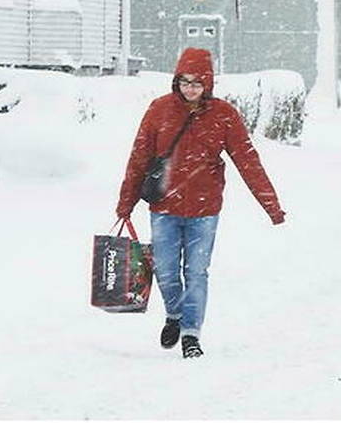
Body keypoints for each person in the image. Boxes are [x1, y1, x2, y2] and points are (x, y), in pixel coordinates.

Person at [116, 48, 286, 359]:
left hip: (205, 210)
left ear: (208, 83)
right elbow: (139, 158)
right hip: (164, 206)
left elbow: (248, 162)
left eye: (198, 82)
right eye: (185, 81)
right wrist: (125, 202)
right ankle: (175, 315)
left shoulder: (224, 115)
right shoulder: (159, 110)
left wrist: (271, 206)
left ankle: (191, 334)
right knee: (166, 270)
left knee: (196, 272)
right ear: (176, 81)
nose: (191, 88)